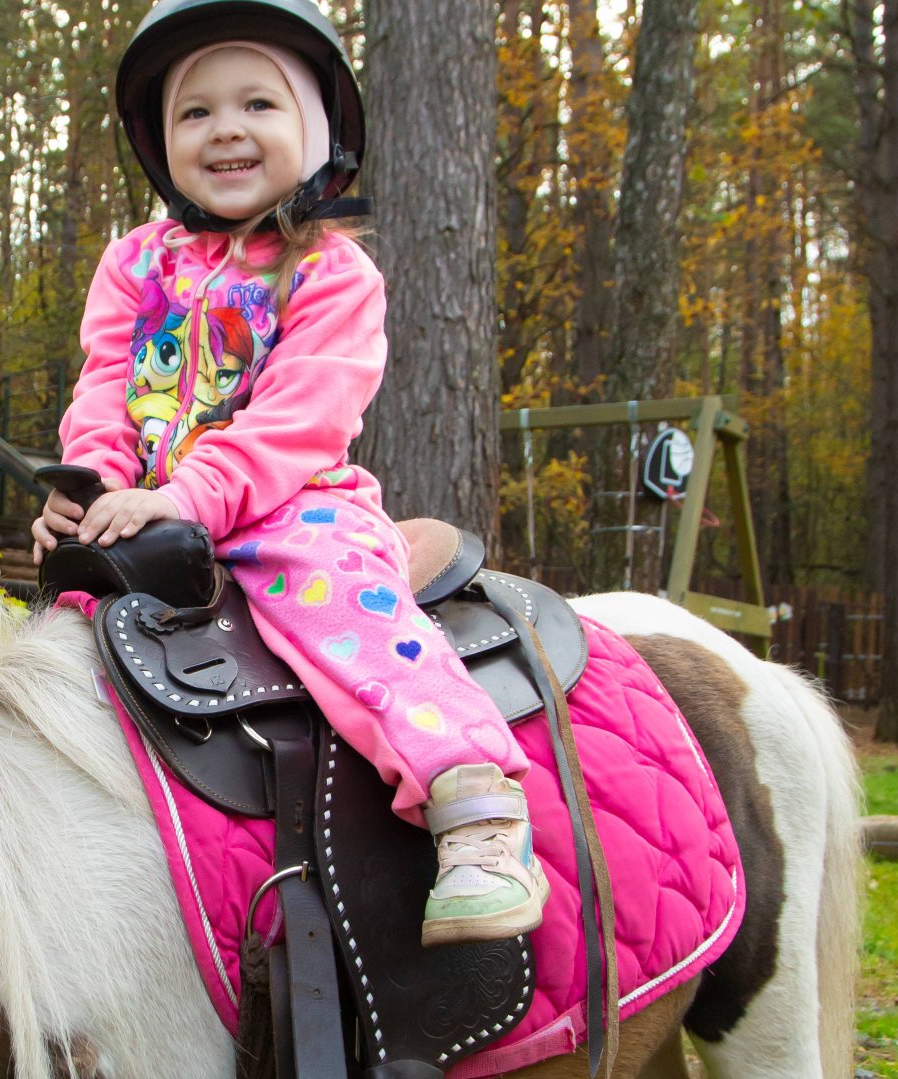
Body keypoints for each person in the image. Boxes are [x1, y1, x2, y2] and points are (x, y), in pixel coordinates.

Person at [30, 0, 547, 946]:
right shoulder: (134, 264)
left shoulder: (333, 273)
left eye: (259, 104)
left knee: (344, 609)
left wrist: (188, 493)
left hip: (284, 507)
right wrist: (90, 493)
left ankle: (471, 799)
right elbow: (103, 388)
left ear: (315, 134)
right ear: (160, 142)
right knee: (52, 647)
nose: (226, 128)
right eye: (196, 112)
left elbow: (303, 416)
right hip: (147, 516)